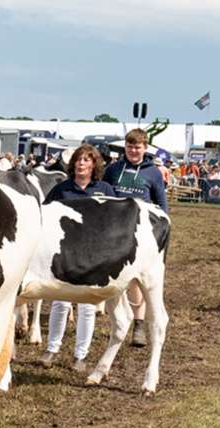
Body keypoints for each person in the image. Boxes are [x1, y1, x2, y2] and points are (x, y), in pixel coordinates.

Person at [39, 143, 116, 370]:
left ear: (94, 164)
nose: (82, 164)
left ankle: (80, 355)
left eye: (86, 160)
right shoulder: (62, 189)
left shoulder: (104, 189)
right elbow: (45, 214)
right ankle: (51, 349)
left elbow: (114, 220)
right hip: (64, 253)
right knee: (59, 301)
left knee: (87, 306)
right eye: (78, 160)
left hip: (93, 255)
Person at [103, 128, 167, 347]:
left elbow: (162, 205)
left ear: (145, 148)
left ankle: (139, 324)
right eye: (130, 146)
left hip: (142, 233)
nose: (133, 150)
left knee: (137, 281)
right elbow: (103, 193)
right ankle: (115, 318)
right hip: (113, 229)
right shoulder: (113, 169)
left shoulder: (153, 173)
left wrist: (162, 238)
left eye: (137, 147)